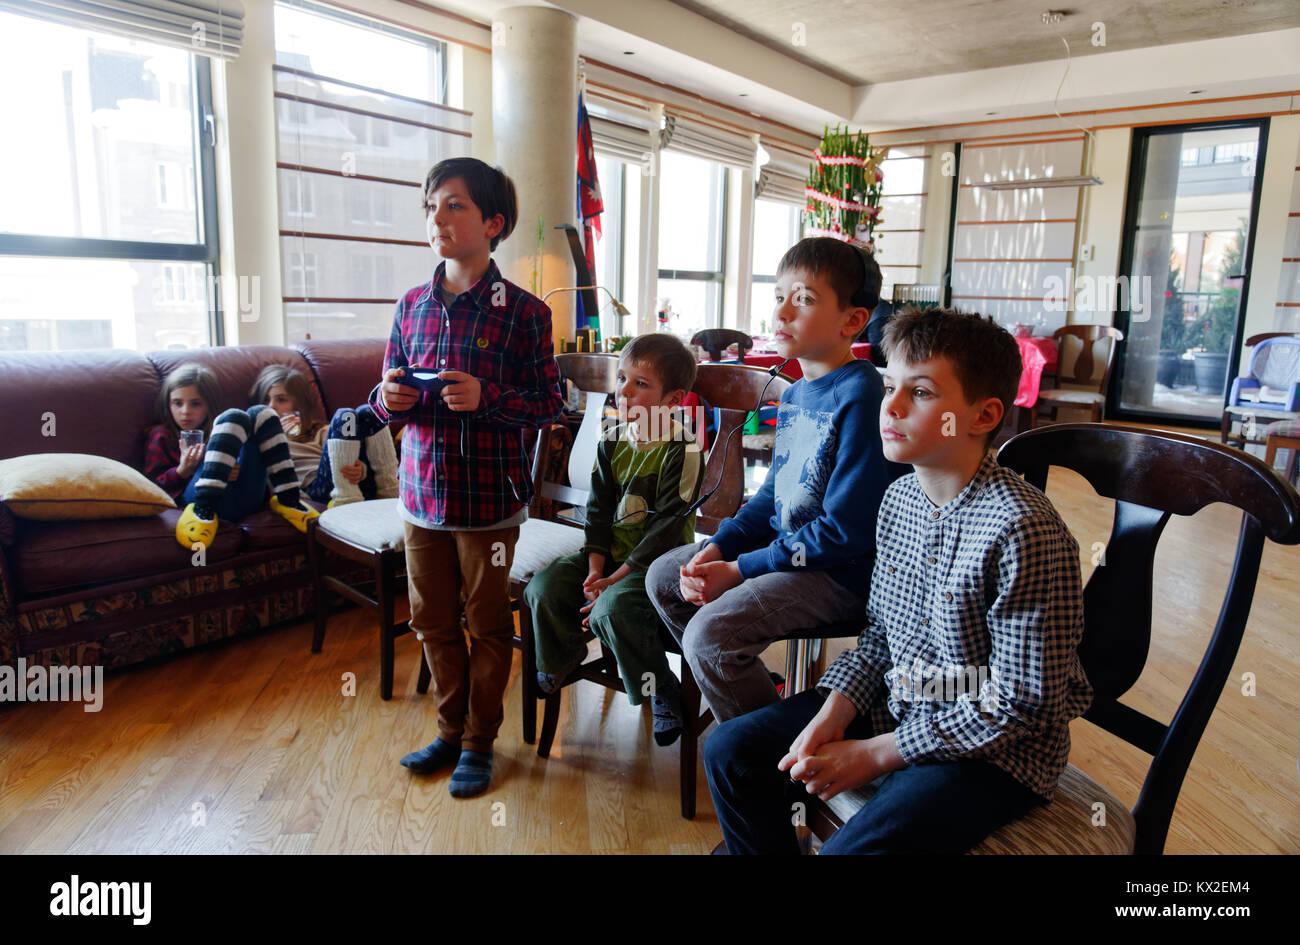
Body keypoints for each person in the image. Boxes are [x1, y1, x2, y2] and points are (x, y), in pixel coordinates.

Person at [703, 307, 1094, 855]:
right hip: (906, 700)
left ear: (982, 416)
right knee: (730, 749)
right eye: (889, 385)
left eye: (923, 393)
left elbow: (1022, 702)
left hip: (997, 754)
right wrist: (832, 713)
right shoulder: (899, 498)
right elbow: (882, 639)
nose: (891, 406)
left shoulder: (1024, 528)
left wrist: (879, 752)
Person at [646, 237, 905, 724]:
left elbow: (844, 532)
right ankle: (760, 699)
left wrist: (741, 569)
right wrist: (718, 549)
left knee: (709, 637)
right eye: (779, 295)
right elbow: (770, 500)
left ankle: (770, 756)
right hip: (791, 554)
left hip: (841, 573)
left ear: (852, 321)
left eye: (804, 299)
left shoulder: (862, 392)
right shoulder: (794, 395)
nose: (782, 312)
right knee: (665, 577)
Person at [370, 157, 564, 799]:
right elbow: (384, 392)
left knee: (486, 625)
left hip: (490, 504)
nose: (437, 219)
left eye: (453, 205)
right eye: (431, 206)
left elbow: (547, 407)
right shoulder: (409, 307)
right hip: (419, 496)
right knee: (431, 622)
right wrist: (388, 398)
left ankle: (480, 742)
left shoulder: (527, 315)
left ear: (493, 223)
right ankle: (449, 732)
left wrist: (487, 396)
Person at [524, 333, 703, 746]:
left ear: (674, 399)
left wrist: (616, 578)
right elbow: (598, 511)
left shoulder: (683, 449)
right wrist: (594, 568)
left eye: (640, 384)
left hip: (659, 565)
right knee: (543, 589)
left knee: (612, 610)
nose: (623, 392)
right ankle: (563, 656)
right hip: (608, 557)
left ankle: (661, 689)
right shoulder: (611, 439)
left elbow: (666, 529)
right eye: (622, 378)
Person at [144, 364, 319, 547]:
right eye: (177, 403)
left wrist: (231, 470)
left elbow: (253, 468)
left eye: (195, 403)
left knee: (262, 414)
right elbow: (150, 489)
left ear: (209, 405)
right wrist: (182, 471)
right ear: (168, 403)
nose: (185, 411)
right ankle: (204, 510)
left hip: (244, 497)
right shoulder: (161, 436)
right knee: (234, 417)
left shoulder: (224, 431)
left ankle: (289, 499)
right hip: (198, 503)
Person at [248, 365, 399, 507]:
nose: (271, 406)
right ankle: (345, 502)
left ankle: (391, 492)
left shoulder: (319, 430)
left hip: (350, 482)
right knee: (345, 414)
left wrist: (361, 470)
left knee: (367, 412)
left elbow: (351, 456)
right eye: (266, 400)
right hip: (316, 490)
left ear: (299, 406)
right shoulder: (262, 441)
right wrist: (277, 436)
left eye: (281, 400)